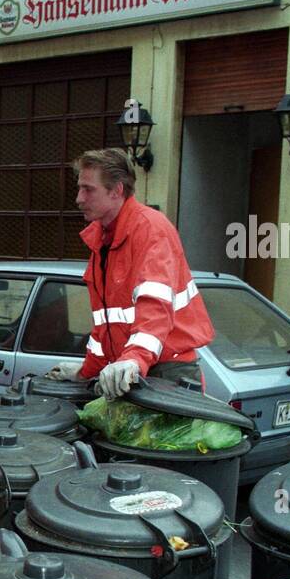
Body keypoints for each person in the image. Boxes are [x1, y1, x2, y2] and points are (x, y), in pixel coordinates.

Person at [49, 148, 214, 399]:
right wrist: (87, 370)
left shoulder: (149, 229)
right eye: (80, 188)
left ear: (116, 190)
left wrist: (134, 359)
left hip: (165, 373)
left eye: (88, 189)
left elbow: (155, 307)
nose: (79, 198)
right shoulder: (104, 241)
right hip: (133, 370)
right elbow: (106, 325)